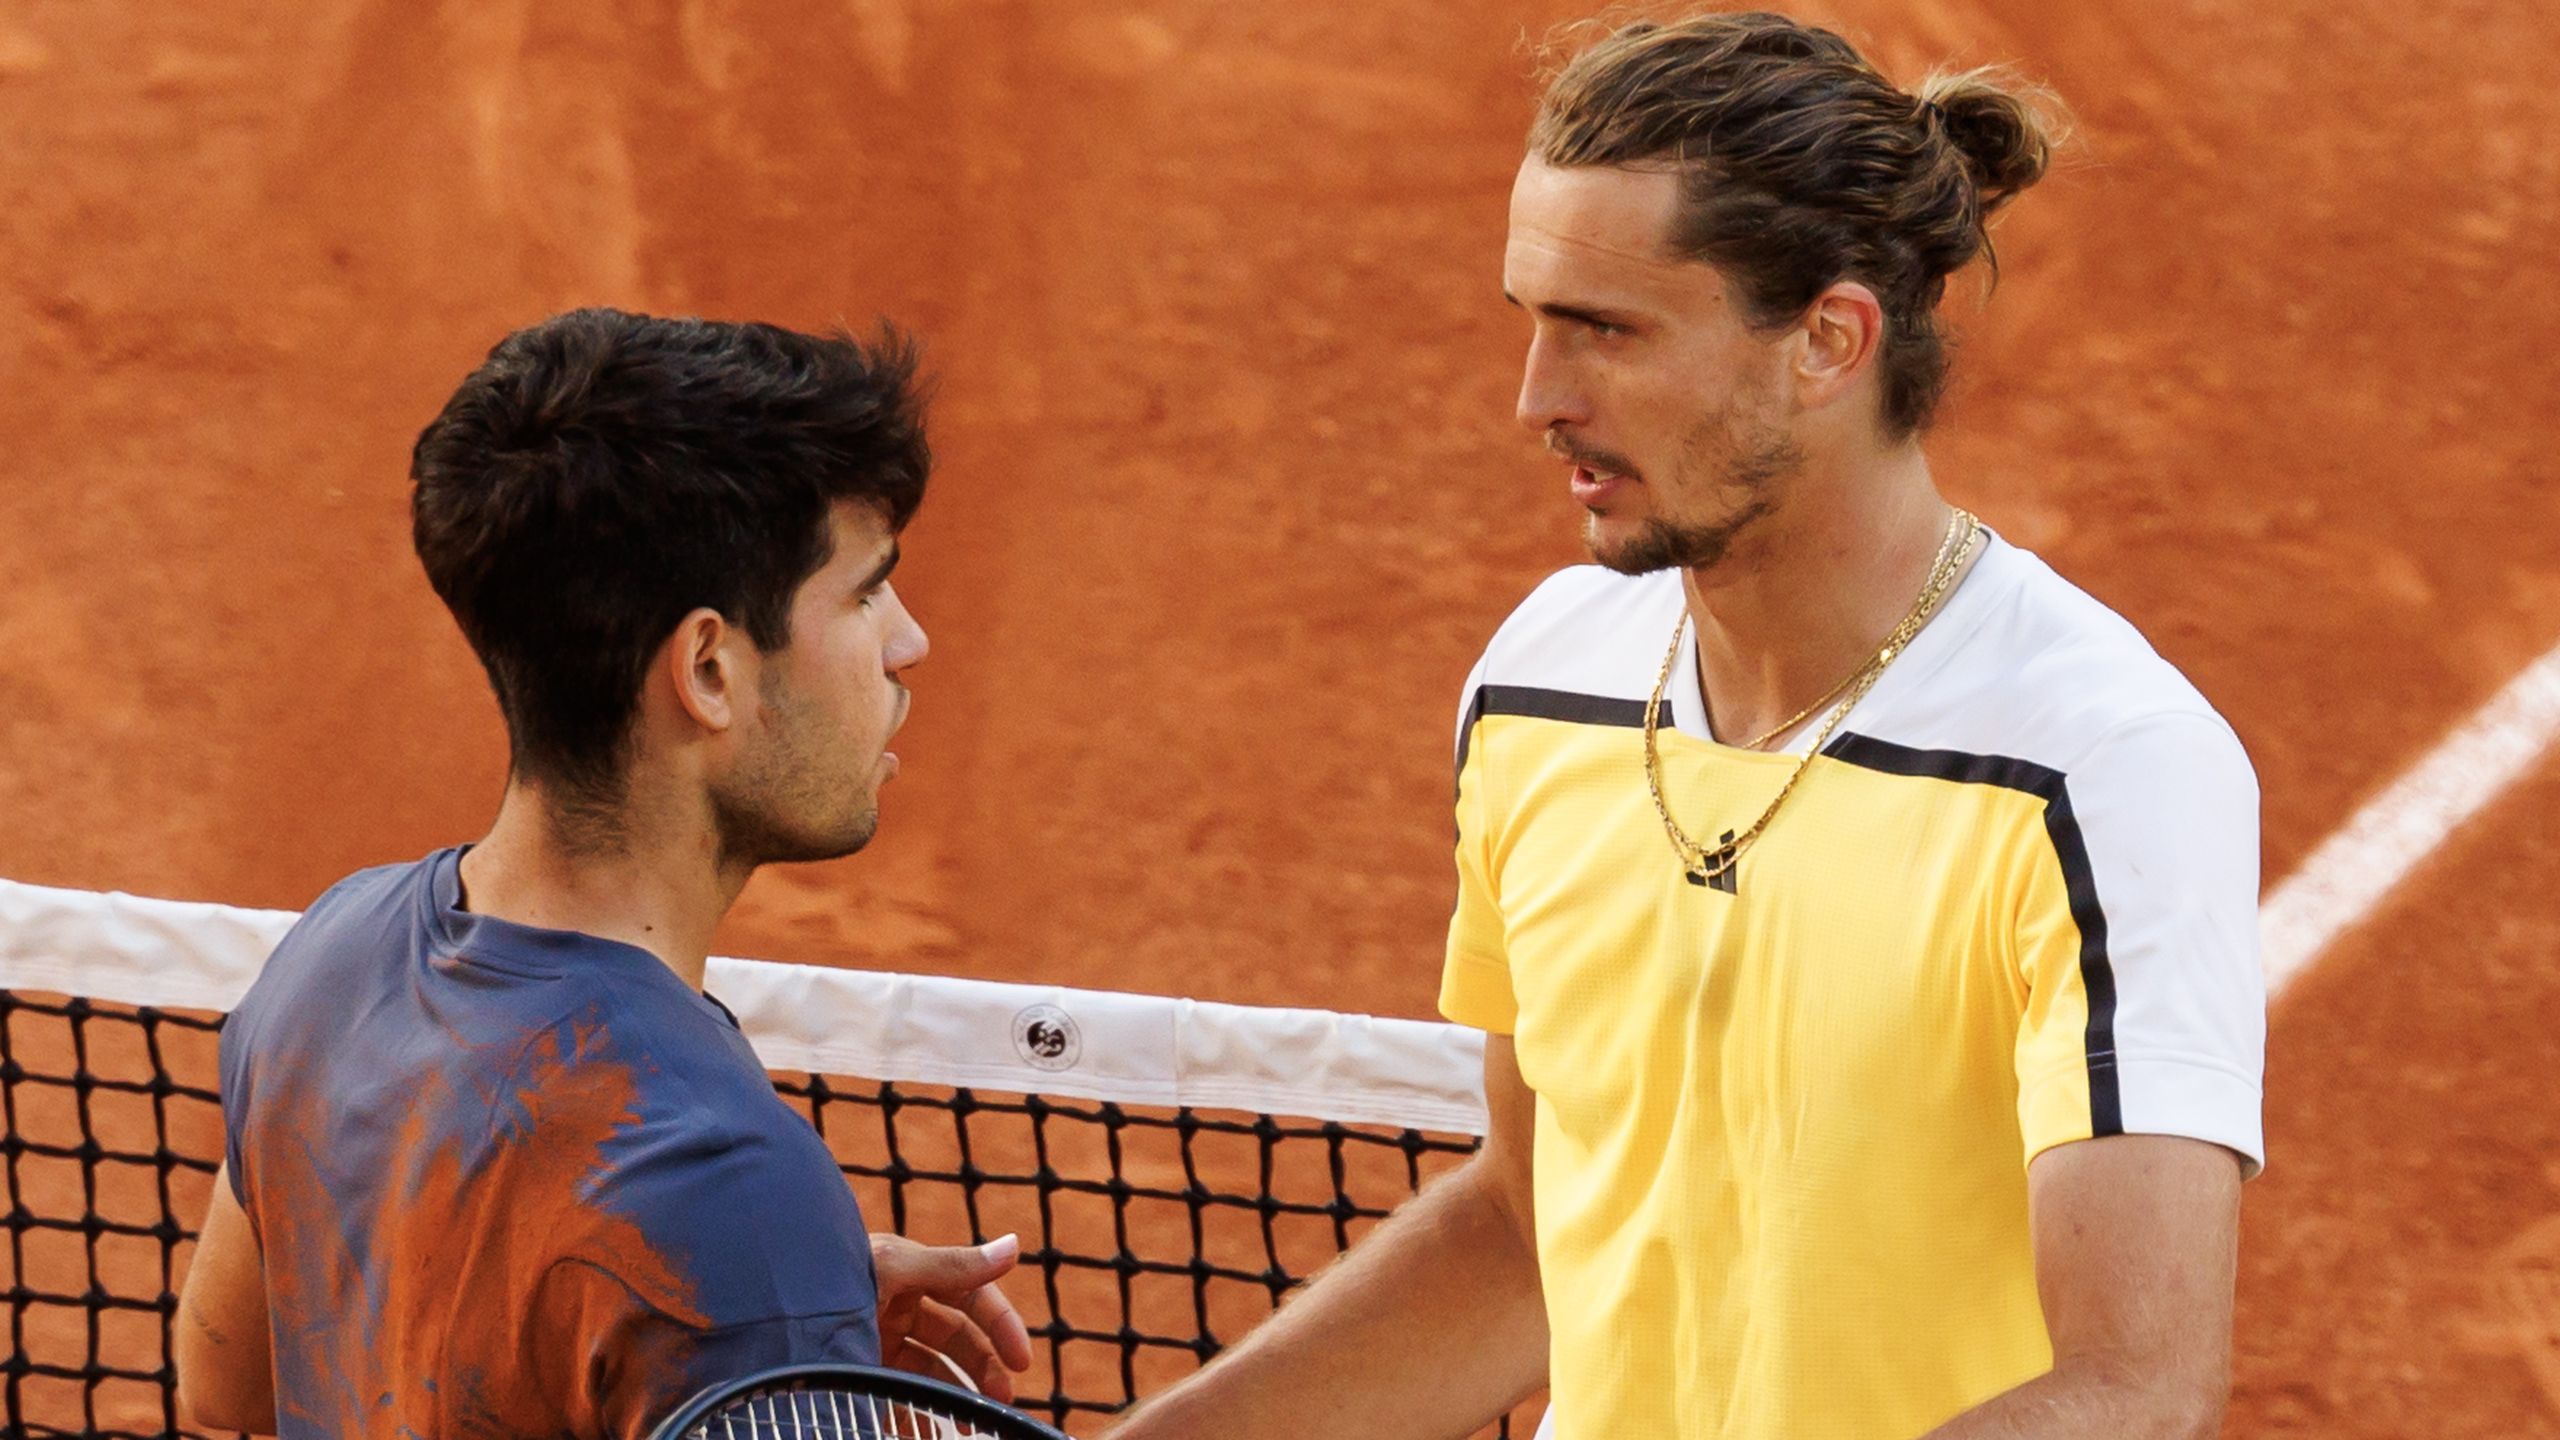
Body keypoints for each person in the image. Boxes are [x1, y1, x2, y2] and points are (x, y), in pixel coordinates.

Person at [1108, 13, 2264, 1440]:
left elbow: (2133, 1389)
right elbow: (1526, 1237)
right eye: (1533, 319)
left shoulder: (2092, 766)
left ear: (1827, 343)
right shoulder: (1544, 685)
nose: (1537, 400)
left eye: (1605, 331)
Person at [174, 309, 1034, 1438]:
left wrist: (749, 1329)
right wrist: (754, 1301)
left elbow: (229, 1389)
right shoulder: (723, 1184)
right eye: (867, 592)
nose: (908, 641)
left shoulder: (335, 949)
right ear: (710, 670)